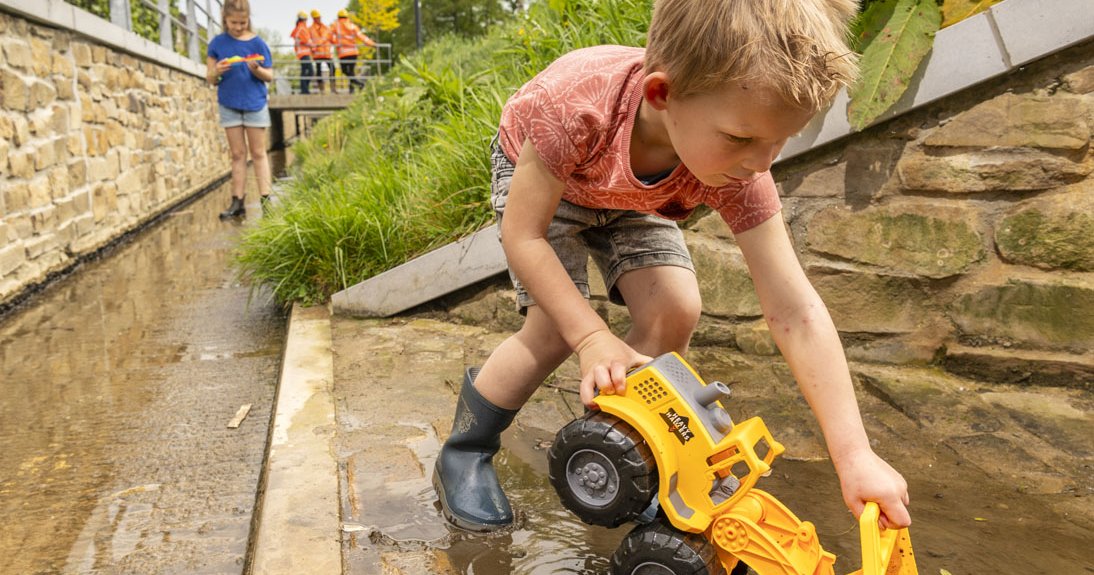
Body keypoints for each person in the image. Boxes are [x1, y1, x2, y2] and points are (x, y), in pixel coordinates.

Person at [432, 0, 913, 535]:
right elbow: (524, 236)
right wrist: (593, 339)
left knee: (676, 307)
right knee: (552, 330)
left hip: (634, 197)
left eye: (782, 140)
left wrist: (853, 456)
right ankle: (465, 450)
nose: (762, 163)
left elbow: (794, 308)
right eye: (741, 138)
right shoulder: (571, 106)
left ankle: (625, 447)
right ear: (662, 94)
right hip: (550, 179)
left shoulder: (736, 163)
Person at [205, 0, 273, 218]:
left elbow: (270, 76)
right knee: (237, 154)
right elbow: (210, 78)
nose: (238, 27)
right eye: (234, 22)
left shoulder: (258, 44)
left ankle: (266, 201)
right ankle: (237, 202)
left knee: (258, 153)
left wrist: (257, 70)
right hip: (229, 103)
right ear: (225, 19)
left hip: (255, 103)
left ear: (248, 19)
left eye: (243, 22)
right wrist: (217, 70)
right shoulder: (217, 44)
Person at [332, 9, 377, 93]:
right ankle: (352, 90)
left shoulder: (335, 26)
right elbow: (362, 37)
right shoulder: (352, 26)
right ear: (347, 17)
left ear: (338, 17)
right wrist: (372, 44)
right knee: (351, 71)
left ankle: (359, 84)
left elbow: (330, 36)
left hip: (343, 54)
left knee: (345, 71)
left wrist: (334, 43)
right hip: (353, 52)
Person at [309, 9, 333, 94]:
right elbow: (309, 41)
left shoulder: (326, 28)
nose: (318, 19)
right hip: (317, 54)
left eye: (319, 17)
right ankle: (321, 90)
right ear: (313, 18)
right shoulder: (310, 29)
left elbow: (331, 38)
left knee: (332, 69)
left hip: (327, 53)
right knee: (319, 72)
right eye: (316, 18)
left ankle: (333, 89)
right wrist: (313, 47)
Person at [290, 11, 314, 95]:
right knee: (311, 72)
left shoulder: (298, 28)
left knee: (304, 72)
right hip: (304, 53)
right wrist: (313, 46)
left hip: (302, 53)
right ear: (304, 20)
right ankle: (305, 90)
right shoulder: (302, 28)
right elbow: (306, 40)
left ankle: (304, 90)